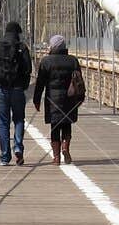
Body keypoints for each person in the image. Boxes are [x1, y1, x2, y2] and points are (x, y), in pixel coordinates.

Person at [0, 21, 32, 166]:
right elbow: (28, 69)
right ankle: (18, 147)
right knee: (19, 119)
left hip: (2, 89)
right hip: (18, 89)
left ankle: (5, 157)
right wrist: (24, 85)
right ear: (17, 33)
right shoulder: (22, 48)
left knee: (3, 122)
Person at [32, 33, 84, 165]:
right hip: (69, 98)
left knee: (55, 126)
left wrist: (36, 100)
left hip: (52, 99)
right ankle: (65, 147)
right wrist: (80, 97)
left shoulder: (46, 61)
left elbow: (40, 83)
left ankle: (56, 158)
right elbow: (79, 81)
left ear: (52, 46)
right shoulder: (73, 60)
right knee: (67, 124)